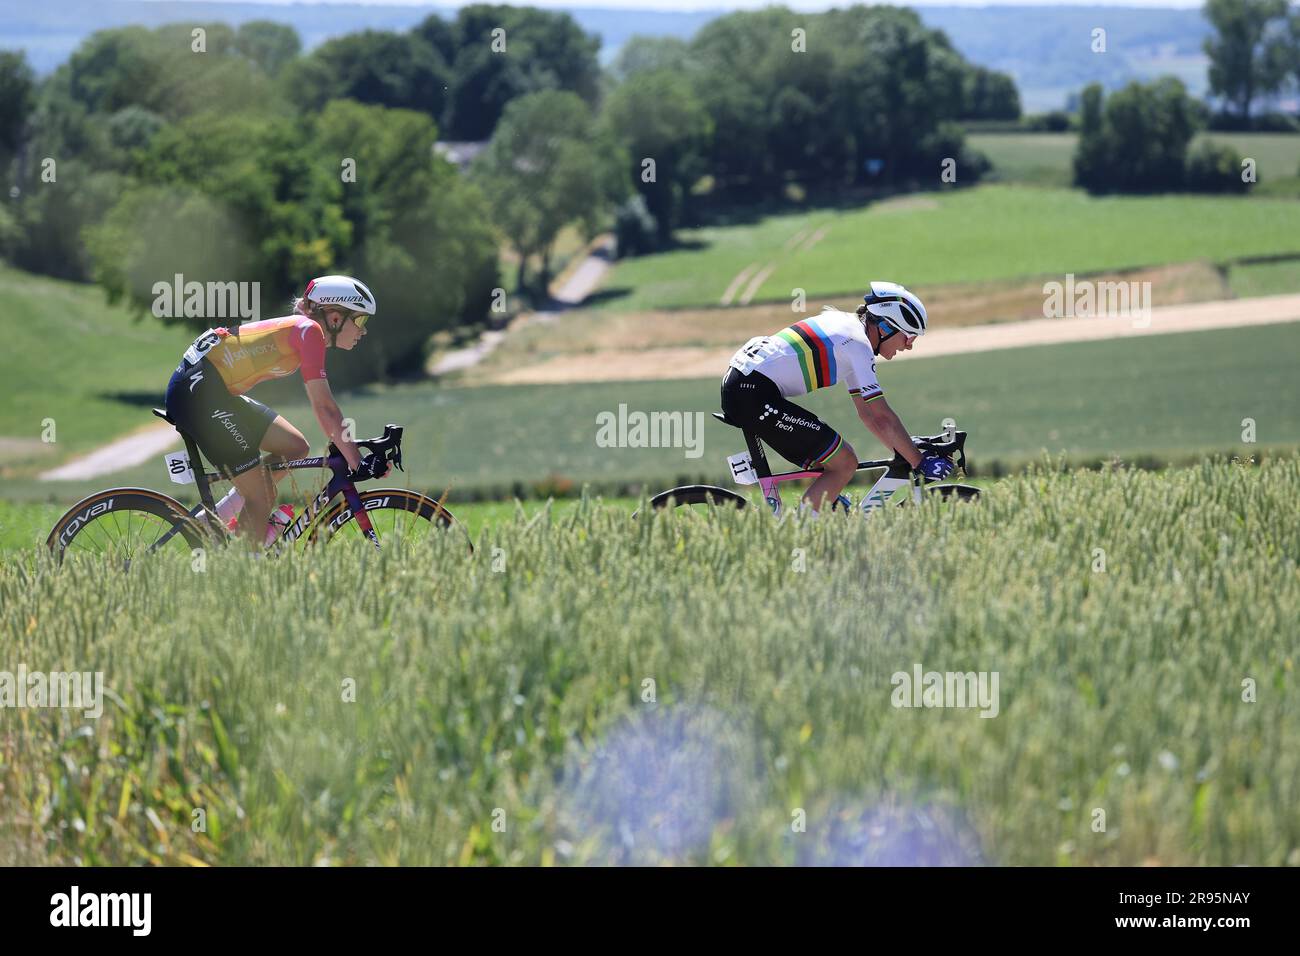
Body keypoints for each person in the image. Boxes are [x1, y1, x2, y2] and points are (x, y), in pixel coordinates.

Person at [164, 275, 388, 547]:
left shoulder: (304, 331)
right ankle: (243, 570)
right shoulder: (310, 331)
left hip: (212, 391)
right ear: (336, 317)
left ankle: (212, 521)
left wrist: (353, 452)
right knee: (261, 495)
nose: (363, 331)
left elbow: (325, 409)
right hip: (199, 394)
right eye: (361, 320)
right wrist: (356, 460)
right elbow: (324, 406)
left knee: (293, 447)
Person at [721, 280, 954, 514]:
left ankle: (811, 519)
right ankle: (802, 536)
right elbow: (882, 416)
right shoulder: (857, 344)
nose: (909, 346)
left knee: (833, 463)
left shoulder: (850, 334)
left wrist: (904, 453)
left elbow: (868, 415)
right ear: (885, 327)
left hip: (746, 386)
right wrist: (919, 462)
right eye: (908, 336)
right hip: (751, 392)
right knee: (844, 463)